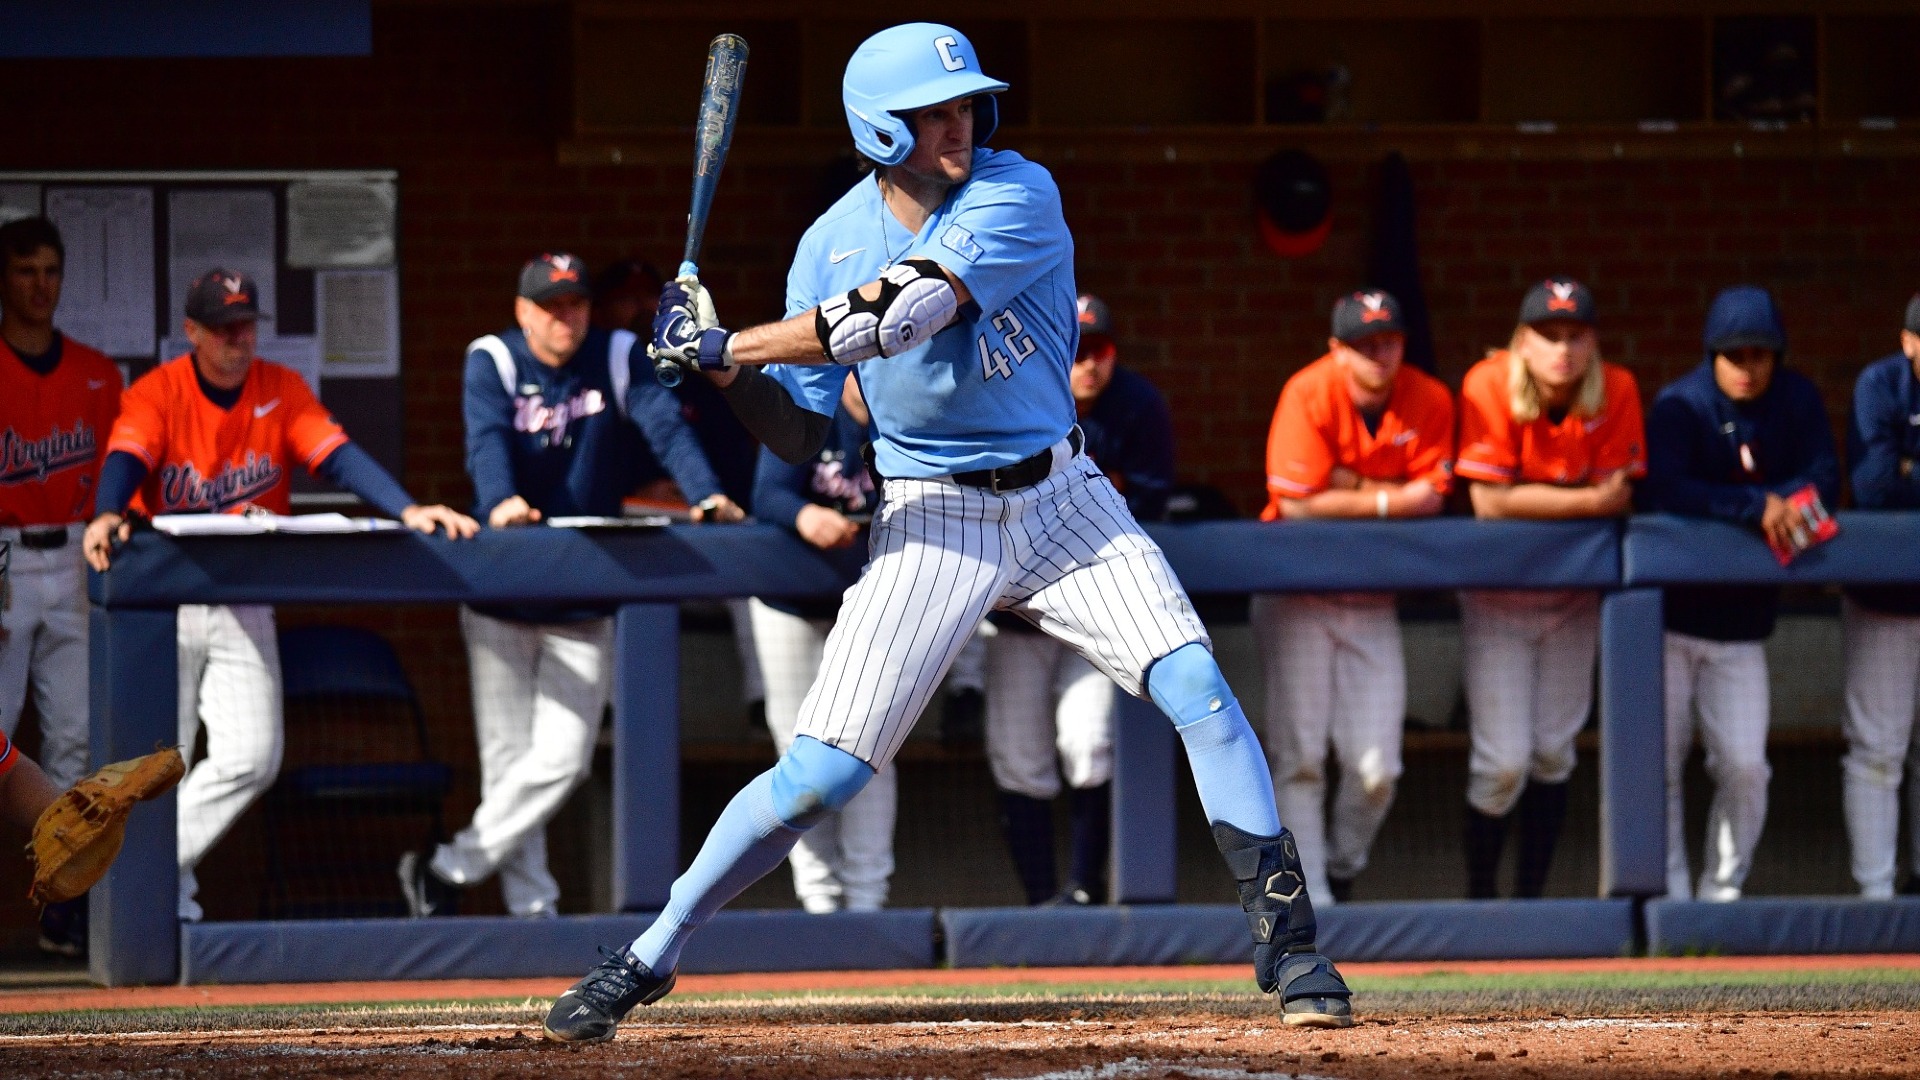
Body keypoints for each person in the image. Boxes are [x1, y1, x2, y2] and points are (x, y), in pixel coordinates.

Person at [541, 23, 1353, 1043]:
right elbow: (797, 430)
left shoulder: (1019, 194)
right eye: (934, 110)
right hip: (934, 516)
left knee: (1195, 685)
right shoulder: (827, 243)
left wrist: (722, 337)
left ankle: (1289, 942)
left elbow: (902, 311)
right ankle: (646, 954)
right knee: (819, 777)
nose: (959, 120)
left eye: (966, 101)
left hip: (1065, 498)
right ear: (882, 129)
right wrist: (721, 373)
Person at [82, 268, 477, 922]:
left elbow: (338, 456)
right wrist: (104, 509)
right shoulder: (161, 391)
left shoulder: (280, 388)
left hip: (245, 594)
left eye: (246, 325)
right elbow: (126, 455)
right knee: (156, 764)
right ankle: (161, 902)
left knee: (253, 755)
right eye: (224, 327)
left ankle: (140, 870)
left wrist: (406, 509)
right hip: (169, 600)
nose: (239, 339)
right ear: (193, 332)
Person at [397, 253, 743, 920]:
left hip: (582, 592)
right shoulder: (492, 358)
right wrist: (500, 500)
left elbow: (663, 424)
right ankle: (534, 912)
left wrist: (708, 493)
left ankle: (447, 867)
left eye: (576, 305)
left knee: (563, 760)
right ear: (524, 311)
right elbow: (486, 440)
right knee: (507, 763)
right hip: (503, 592)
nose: (566, 319)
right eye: (552, 308)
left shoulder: (615, 352)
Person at [1252, 289, 1454, 907]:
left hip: (1371, 600)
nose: (1378, 355)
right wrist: (1392, 495)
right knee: (1301, 758)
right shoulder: (1307, 392)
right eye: (1363, 345)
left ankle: (1341, 866)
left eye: (1388, 341)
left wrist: (1348, 485)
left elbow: (1435, 499)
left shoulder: (1430, 397)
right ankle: (1312, 900)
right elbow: (1298, 503)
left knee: (1376, 772)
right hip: (1299, 594)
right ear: (1337, 349)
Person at [1644, 285, 1837, 901]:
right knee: (1659, 768)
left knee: (1746, 768)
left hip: (1742, 628)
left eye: (1761, 353)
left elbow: (1828, 475)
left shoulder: (1796, 399)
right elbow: (1667, 489)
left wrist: (1787, 503)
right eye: (1735, 355)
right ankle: (1670, 899)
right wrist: (1755, 506)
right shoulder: (1681, 404)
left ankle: (1720, 896)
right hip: (1666, 623)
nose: (1749, 367)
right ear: (1713, 355)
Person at [1454, 277, 1644, 900]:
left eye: (1575, 334)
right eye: (1548, 334)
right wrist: (1588, 499)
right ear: (1522, 342)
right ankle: (1482, 902)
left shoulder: (1615, 387)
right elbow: (1488, 501)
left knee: (1554, 754)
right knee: (1501, 764)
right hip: (1498, 599)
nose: (1562, 348)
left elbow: (1626, 495)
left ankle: (1530, 905)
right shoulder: (1487, 384)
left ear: (1592, 342)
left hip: (1571, 602)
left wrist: (1536, 501)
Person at [987, 293, 1171, 907]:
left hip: (1095, 605)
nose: (1090, 365)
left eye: (1102, 351)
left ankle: (1086, 890)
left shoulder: (1137, 404)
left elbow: (1152, 502)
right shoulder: (1012, 395)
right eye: (1078, 351)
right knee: (1018, 754)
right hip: (1016, 613)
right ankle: (1042, 901)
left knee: (1089, 741)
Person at [0, 216, 123, 955]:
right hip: (4, 556)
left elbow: (119, 474)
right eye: (25, 271)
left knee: (76, 736)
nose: (40, 285)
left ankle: (64, 910)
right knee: (1, 732)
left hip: (73, 554)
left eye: (51, 271)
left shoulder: (97, 373)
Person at [592, 258, 770, 731]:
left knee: (754, 579)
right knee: (600, 573)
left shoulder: (702, 383)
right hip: (633, 534)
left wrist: (702, 492)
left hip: (700, 539)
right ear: (605, 309)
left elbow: (738, 474)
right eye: (626, 299)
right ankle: (606, 711)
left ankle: (763, 705)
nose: (639, 309)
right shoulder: (598, 376)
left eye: (649, 298)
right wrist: (637, 488)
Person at [747, 371, 897, 913]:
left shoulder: (906, 416)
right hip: (789, 603)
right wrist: (806, 514)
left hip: (869, 603)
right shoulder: (808, 408)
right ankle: (818, 898)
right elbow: (766, 494)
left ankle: (866, 897)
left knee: (871, 748)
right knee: (797, 750)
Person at [1845, 295, 1920, 898]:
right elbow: (1872, 486)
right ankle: (1876, 896)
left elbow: (1898, 479)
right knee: (1879, 750)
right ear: (1908, 342)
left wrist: (1909, 471)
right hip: (1887, 599)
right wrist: (1893, 473)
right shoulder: (1881, 385)